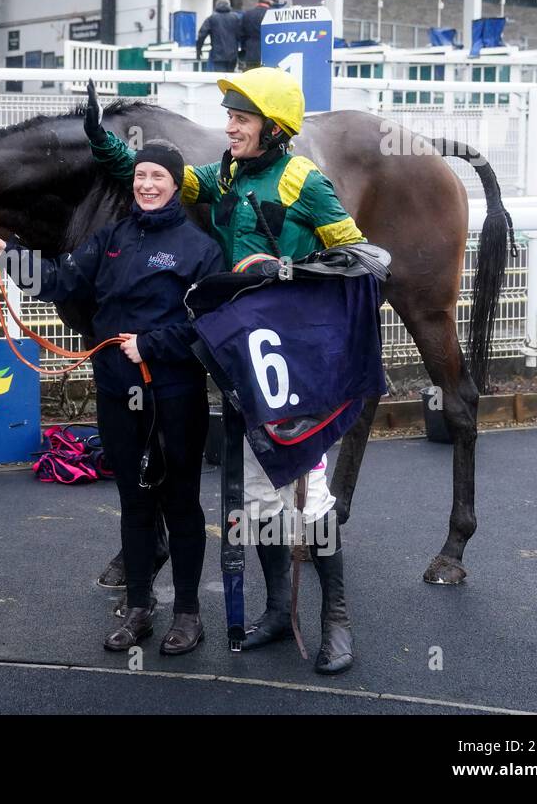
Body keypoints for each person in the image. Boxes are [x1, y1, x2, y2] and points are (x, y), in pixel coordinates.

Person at [87, 67, 366, 673]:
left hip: (291, 363)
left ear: (273, 127)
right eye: (231, 117)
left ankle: (336, 620)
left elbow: (363, 259)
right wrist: (104, 141)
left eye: (241, 119)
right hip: (238, 358)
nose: (230, 127)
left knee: (308, 494)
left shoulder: (303, 180)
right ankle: (272, 610)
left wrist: (285, 272)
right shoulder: (228, 175)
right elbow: (168, 180)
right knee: (260, 493)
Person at [0, 138, 223, 654]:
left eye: (158, 177)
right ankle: (140, 606)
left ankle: (188, 612)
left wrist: (151, 345)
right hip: (116, 390)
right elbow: (62, 279)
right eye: (140, 177)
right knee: (133, 501)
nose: (147, 185)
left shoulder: (201, 249)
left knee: (180, 502)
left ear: (176, 184)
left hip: (175, 395)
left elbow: (209, 326)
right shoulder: (112, 237)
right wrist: (12, 257)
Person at [195, 0, 242, 72]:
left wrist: (198, 50)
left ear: (216, 5)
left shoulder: (212, 18)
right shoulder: (236, 18)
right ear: (229, 5)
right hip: (233, 55)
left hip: (218, 54)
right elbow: (241, 35)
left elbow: (202, 34)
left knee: (220, 78)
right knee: (229, 79)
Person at [237, 0, 277, 69]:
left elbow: (241, 34)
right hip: (268, 52)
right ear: (269, 2)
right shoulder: (272, 14)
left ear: (258, 2)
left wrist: (244, 48)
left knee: (251, 76)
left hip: (251, 51)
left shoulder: (247, 14)